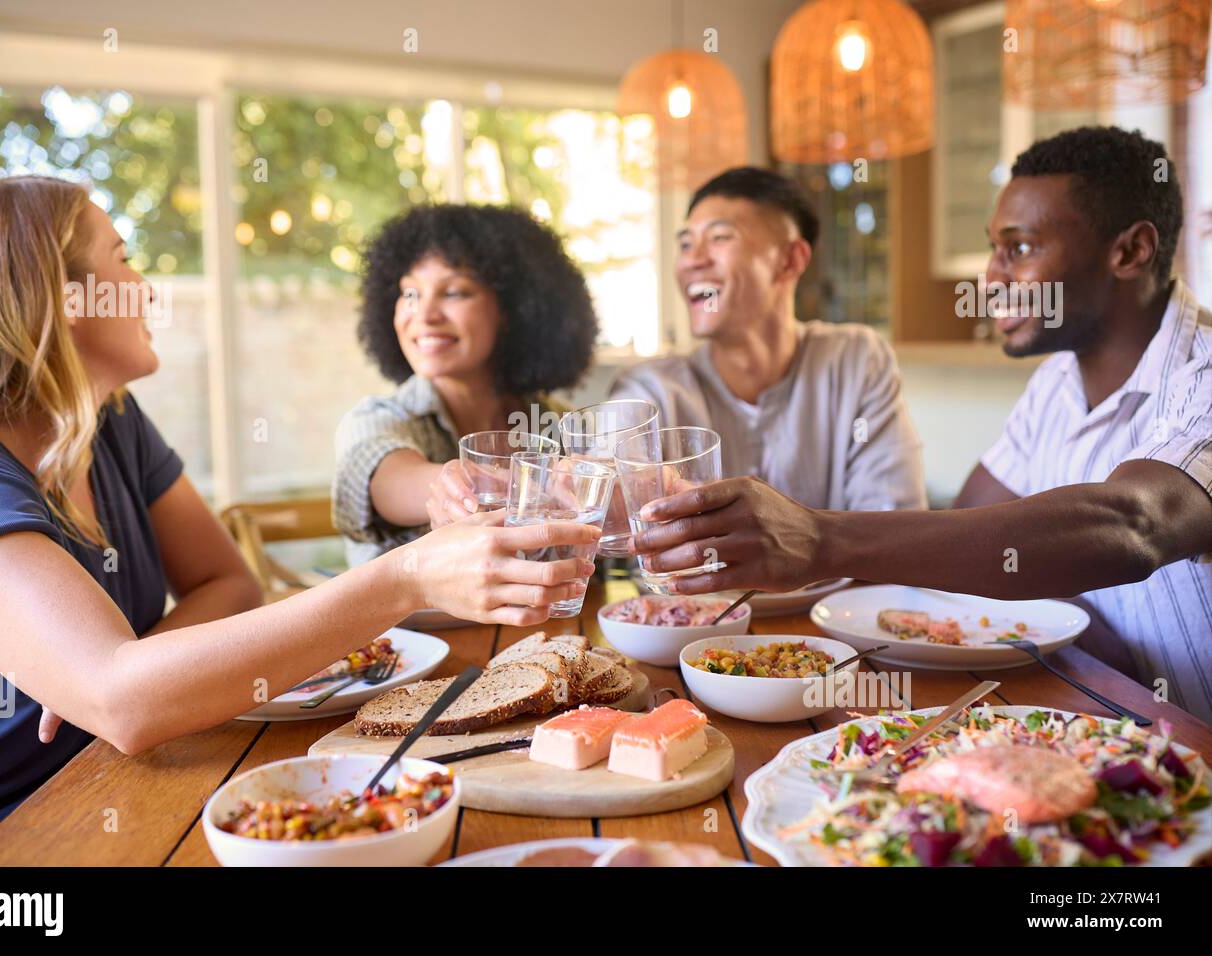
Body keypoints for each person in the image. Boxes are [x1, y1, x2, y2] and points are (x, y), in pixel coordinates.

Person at [0, 177, 599, 865]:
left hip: (129, 775)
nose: (148, 289)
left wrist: (123, 668)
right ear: (56, 297)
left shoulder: (112, 421)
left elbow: (227, 582)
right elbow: (124, 705)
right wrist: (408, 576)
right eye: (124, 258)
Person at [630, 127, 1212, 723]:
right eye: (992, 249)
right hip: (1103, 712)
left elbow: (1136, 525)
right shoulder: (1058, 384)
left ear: (1131, 251)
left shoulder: (1204, 378)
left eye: (1020, 249)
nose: (989, 279)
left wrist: (819, 540)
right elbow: (958, 538)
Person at [609, 166, 927, 511]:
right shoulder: (654, 389)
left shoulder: (856, 361)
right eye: (686, 244)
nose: (693, 260)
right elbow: (608, 481)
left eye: (719, 238)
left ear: (790, 260)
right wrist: (593, 483)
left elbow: (892, 525)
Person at [332, 204, 598, 563]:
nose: (424, 315)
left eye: (454, 292)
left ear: (512, 308)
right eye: (410, 293)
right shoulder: (379, 418)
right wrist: (450, 486)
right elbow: (380, 479)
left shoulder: (558, 424)